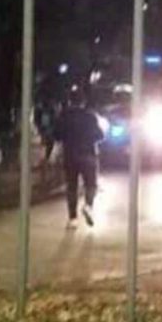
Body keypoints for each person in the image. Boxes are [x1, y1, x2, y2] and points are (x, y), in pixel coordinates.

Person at [54, 90, 102, 229]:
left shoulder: (64, 116)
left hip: (70, 156)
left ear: (70, 101)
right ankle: (88, 205)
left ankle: (72, 218)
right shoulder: (90, 116)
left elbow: (56, 135)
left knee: (71, 187)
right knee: (91, 184)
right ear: (83, 102)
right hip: (88, 154)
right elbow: (100, 135)